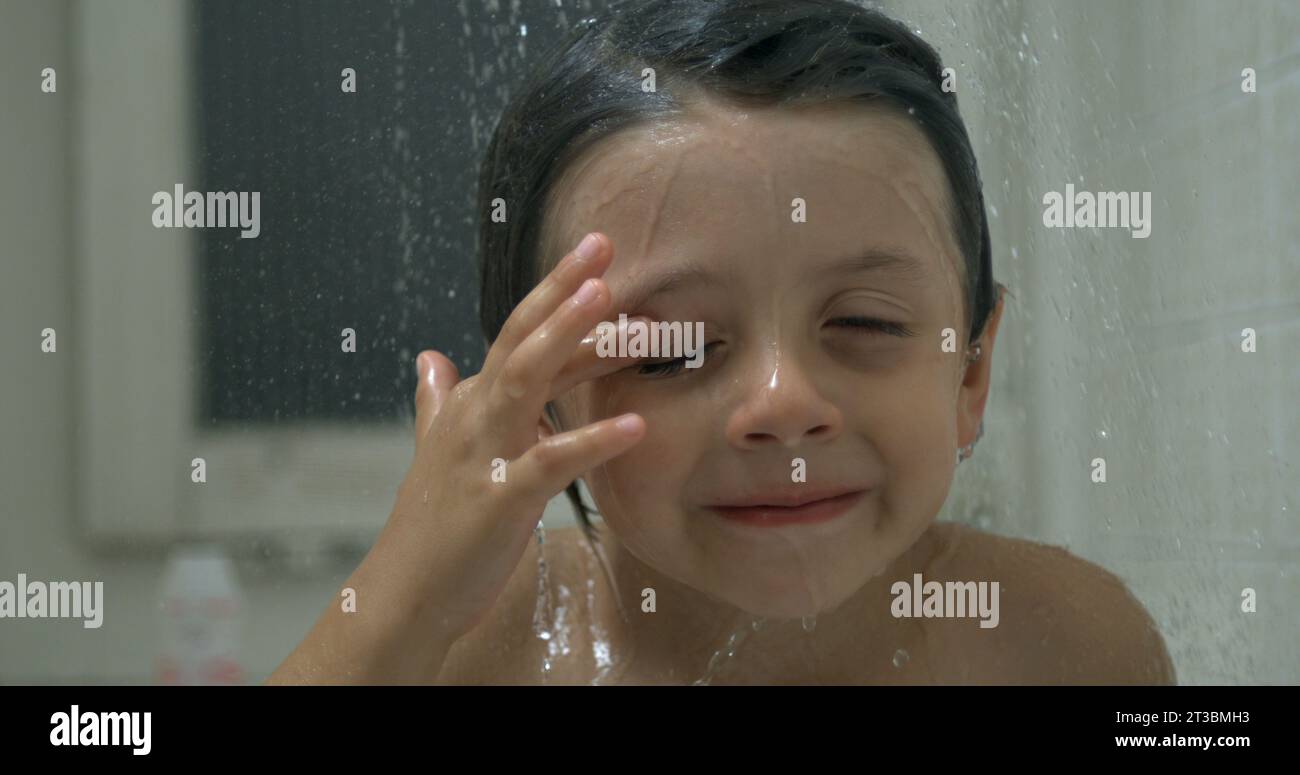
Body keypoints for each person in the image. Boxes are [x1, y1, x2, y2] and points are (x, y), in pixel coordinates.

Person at [269, 0, 1175, 685]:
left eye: (863, 324)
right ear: (540, 406)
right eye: (668, 348)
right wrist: (404, 598)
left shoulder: (1056, 640)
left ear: (970, 371)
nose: (782, 402)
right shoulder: (486, 645)